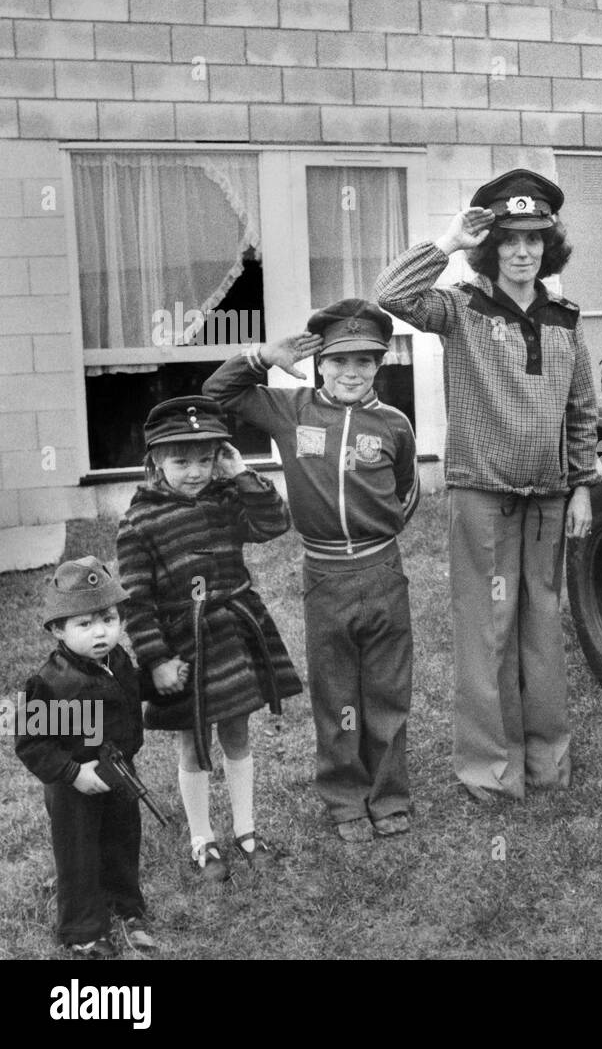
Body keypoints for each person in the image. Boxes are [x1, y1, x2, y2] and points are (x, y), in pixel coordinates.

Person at [374, 168, 601, 802]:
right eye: (508, 239)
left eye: (534, 239)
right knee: (486, 632)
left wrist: (581, 486)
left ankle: (547, 763)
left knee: (541, 630)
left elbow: (582, 408)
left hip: (550, 496)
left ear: (547, 247)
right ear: (490, 246)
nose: (523, 252)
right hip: (482, 493)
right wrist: (445, 243)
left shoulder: (565, 318)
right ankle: (491, 771)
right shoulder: (460, 307)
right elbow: (390, 293)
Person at [203, 300, 420, 843]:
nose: (352, 373)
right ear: (320, 361)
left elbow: (407, 488)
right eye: (340, 361)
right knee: (337, 691)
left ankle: (390, 795)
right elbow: (216, 395)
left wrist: (383, 529)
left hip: (382, 570)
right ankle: (346, 798)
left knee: (388, 689)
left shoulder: (394, 423)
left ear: (380, 364)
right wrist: (259, 357)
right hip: (323, 575)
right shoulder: (291, 410)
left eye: (366, 362)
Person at [116, 397, 303, 881]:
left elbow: (274, 522)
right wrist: (156, 659)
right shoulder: (139, 522)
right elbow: (135, 601)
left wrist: (241, 474)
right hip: (185, 643)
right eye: (181, 461)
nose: (195, 472)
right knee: (195, 741)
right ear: (156, 460)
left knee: (237, 731)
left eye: (206, 458)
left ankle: (246, 829)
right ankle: (203, 840)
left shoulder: (225, 500)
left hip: (234, 633)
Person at [15, 556, 160, 957]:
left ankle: (125, 906)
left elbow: (126, 696)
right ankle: (83, 930)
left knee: (123, 837)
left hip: (118, 771)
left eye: (109, 619)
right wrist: (72, 772)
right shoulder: (52, 682)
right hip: (73, 784)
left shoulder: (118, 661)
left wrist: (159, 680)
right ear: (57, 629)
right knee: (78, 852)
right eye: (85, 624)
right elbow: (31, 744)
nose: (101, 632)